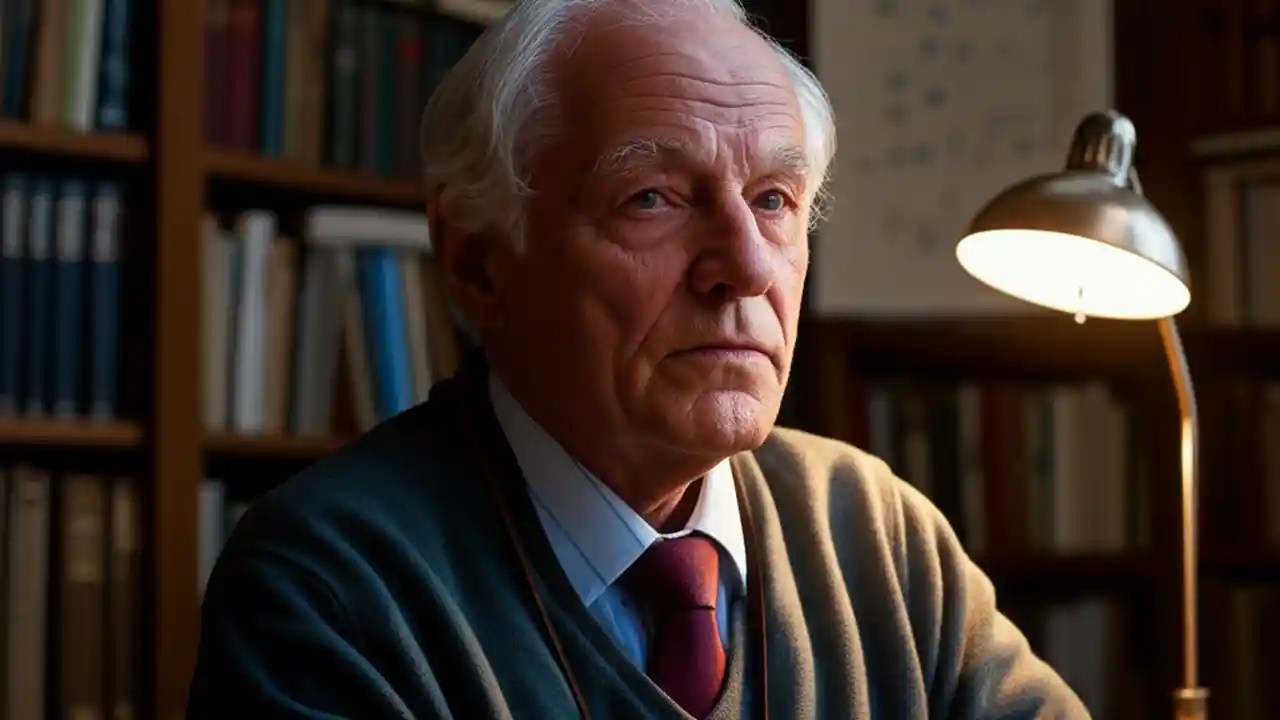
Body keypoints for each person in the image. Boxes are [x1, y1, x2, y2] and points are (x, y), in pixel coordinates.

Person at [187, 0, 1090, 717]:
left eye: (773, 200)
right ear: (477, 262)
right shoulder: (334, 586)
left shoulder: (878, 536)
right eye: (651, 198)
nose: (743, 266)